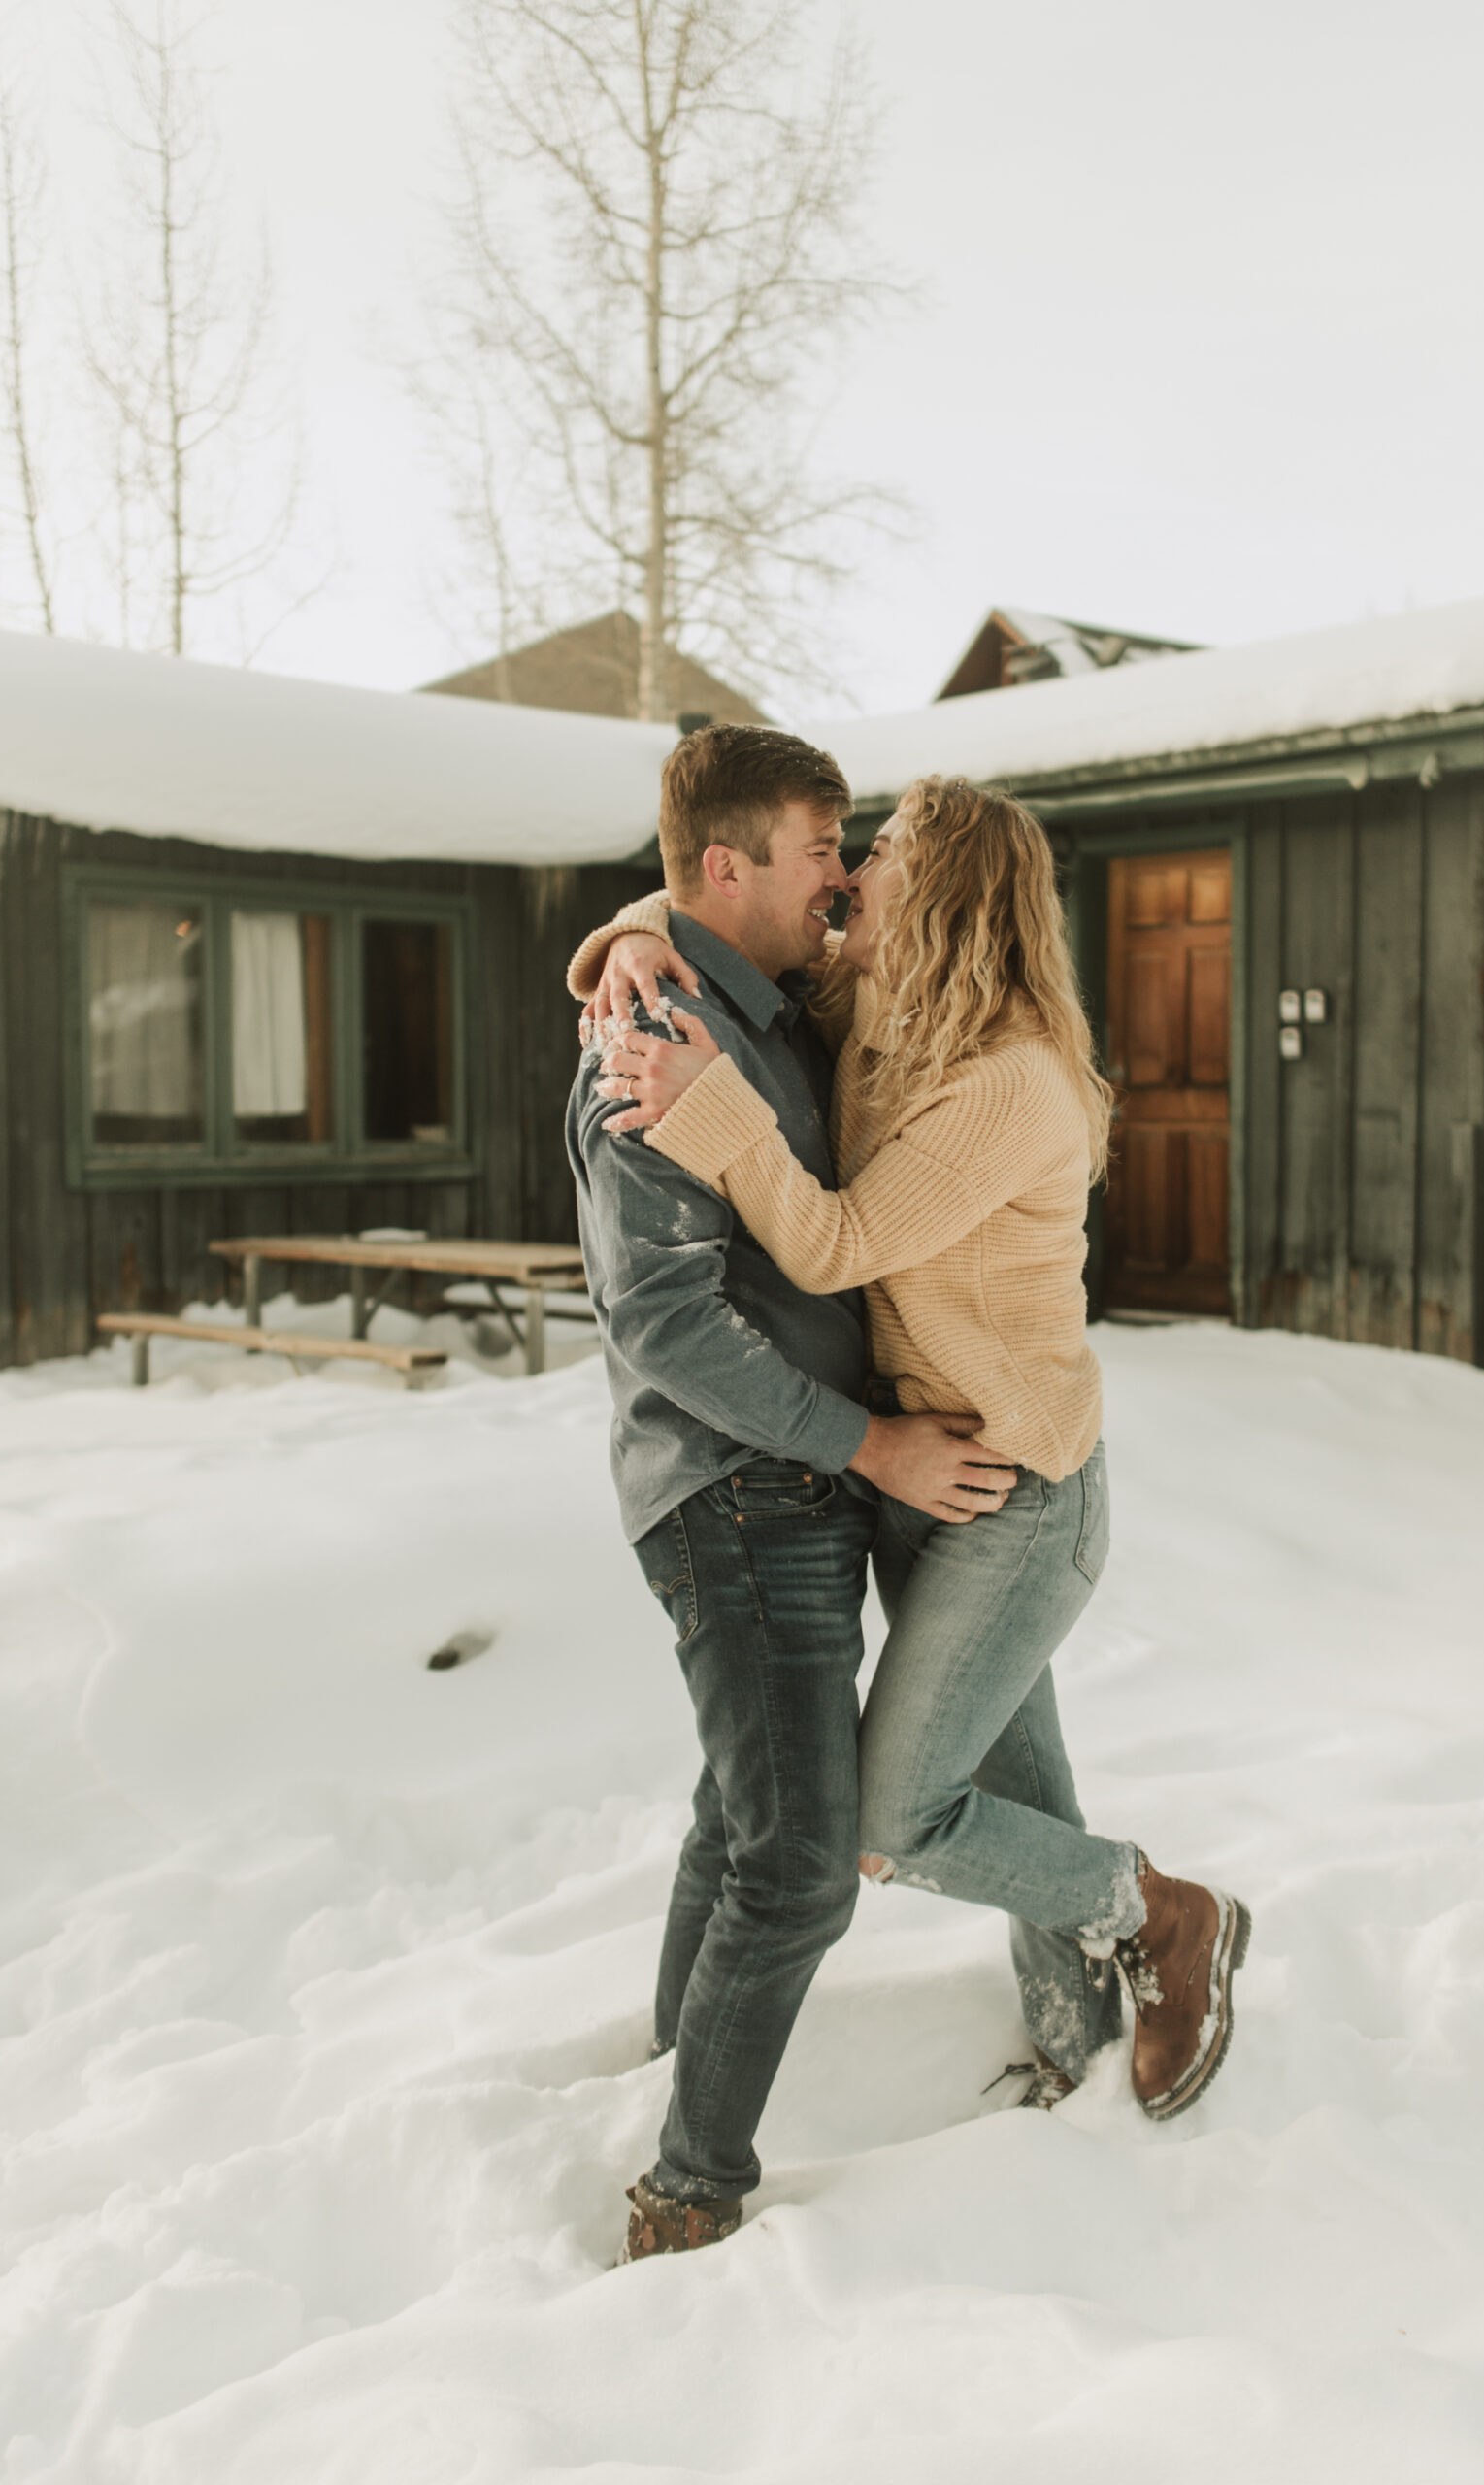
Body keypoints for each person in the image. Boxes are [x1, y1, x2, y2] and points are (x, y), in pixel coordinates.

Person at [581, 773, 1250, 2142]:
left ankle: (1167, 1914)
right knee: (1022, 1793)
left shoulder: (1010, 1083)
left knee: (896, 1815)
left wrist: (708, 1104)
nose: (846, 883)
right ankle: (1076, 2052)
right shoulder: (879, 1009)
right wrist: (633, 936)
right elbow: (724, 923)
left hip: (1016, 1493)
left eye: (872, 861)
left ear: (933, 896)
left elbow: (828, 1242)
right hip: (927, 1490)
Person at [564, 727, 1018, 2265]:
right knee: (803, 1861)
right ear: (723, 866)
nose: (843, 873)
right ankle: (689, 2186)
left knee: (737, 1814)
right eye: (823, 847)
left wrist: (623, 931)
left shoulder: (770, 1004)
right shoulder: (649, 1036)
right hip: (737, 1491)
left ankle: (662, 2080)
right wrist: (870, 1446)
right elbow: (669, 1324)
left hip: (800, 1485)